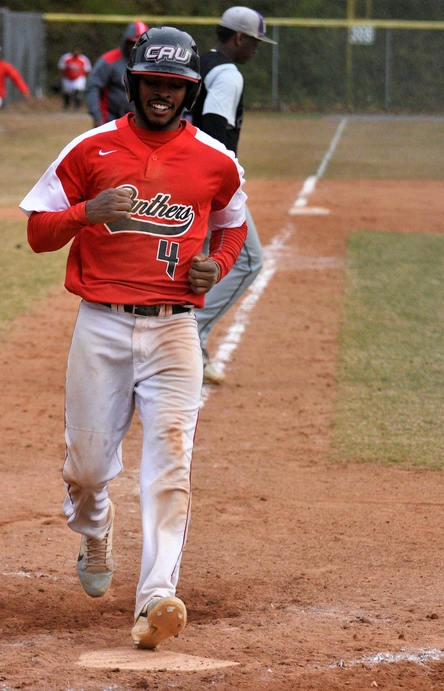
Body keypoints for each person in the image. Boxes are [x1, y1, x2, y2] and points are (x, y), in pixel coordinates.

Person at [20, 27, 248, 650]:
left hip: (175, 329)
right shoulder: (90, 148)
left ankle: (156, 596)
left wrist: (218, 266)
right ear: (134, 84)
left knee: (170, 465)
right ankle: (96, 528)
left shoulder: (215, 160)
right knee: (88, 469)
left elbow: (232, 224)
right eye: (152, 82)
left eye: (175, 85)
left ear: (189, 92)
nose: (162, 94)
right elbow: (38, 233)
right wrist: (87, 213)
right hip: (102, 325)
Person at [187, 6, 275, 385]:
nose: (255, 49)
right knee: (249, 260)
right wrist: (221, 185)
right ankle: (189, 336)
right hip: (209, 181)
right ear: (239, 38)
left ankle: (181, 344)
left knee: (192, 264)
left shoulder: (199, 64)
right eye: (254, 42)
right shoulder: (227, 73)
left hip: (184, 175)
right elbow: (213, 129)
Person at [84, 22, 148, 127]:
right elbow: (93, 88)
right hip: (110, 121)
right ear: (126, 41)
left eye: (140, 44)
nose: (135, 47)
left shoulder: (151, 64)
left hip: (139, 123)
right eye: (132, 43)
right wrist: (97, 117)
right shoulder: (109, 60)